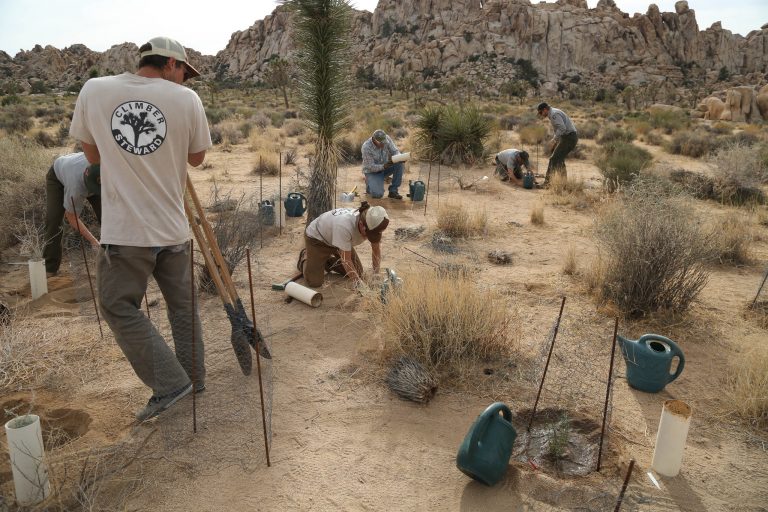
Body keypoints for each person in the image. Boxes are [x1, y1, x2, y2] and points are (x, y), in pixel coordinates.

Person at [69, 36, 212, 422]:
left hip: (127, 231)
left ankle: (171, 383)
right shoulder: (187, 100)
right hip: (173, 229)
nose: (184, 80)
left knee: (117, 305)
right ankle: (192, 378)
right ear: (170, 63)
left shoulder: (95, 90)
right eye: (184, 71)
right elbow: (197, 158)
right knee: (182, 307)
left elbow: (93, 155)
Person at [298, 202, 389, 288]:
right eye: (367, 234)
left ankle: (325, 261)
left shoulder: (374, 222)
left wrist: (376, 274)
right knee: (314, 282)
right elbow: (346, 260)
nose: (368, 237)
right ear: (361, 224)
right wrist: (357, 283)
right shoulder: (345, 226)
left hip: (340, 241)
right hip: (318, 240)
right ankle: (306, 256)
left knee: (358, 272)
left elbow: (376, 250)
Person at [43, 152, 102, 276]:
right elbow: (71, 217)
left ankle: (118, 257)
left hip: (88, 173)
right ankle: (50, 267)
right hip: (58, 176)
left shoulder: (106, 165)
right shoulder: (75, 187)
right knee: (54, 221)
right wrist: (94, 241)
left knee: (107, 216)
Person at [536, 102, 578, 185]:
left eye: (541, 112)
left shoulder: (554, 114)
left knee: (554, 159)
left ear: (545, 109)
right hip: (567, 137)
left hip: (569, 138)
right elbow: (559, 129)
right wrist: (556, 140)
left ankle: (547, 183)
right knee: (559, 159)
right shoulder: (552, 113)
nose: (541, 114)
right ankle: (563, 183)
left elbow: (562, 128)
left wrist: (554, 140)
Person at [361, 129, 404, 199]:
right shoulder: (366, 147)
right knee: (378, 195)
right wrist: (384, 166)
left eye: (384, 142)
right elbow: (370, 167)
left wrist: (400, 157)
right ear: (374, 140)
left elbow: (395, 151)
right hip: (372, 172)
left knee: (399, 163)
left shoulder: (386, 139)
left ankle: (393, 191)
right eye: (381, 143)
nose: (383, 144)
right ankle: (369, 183)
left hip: (385, 168)